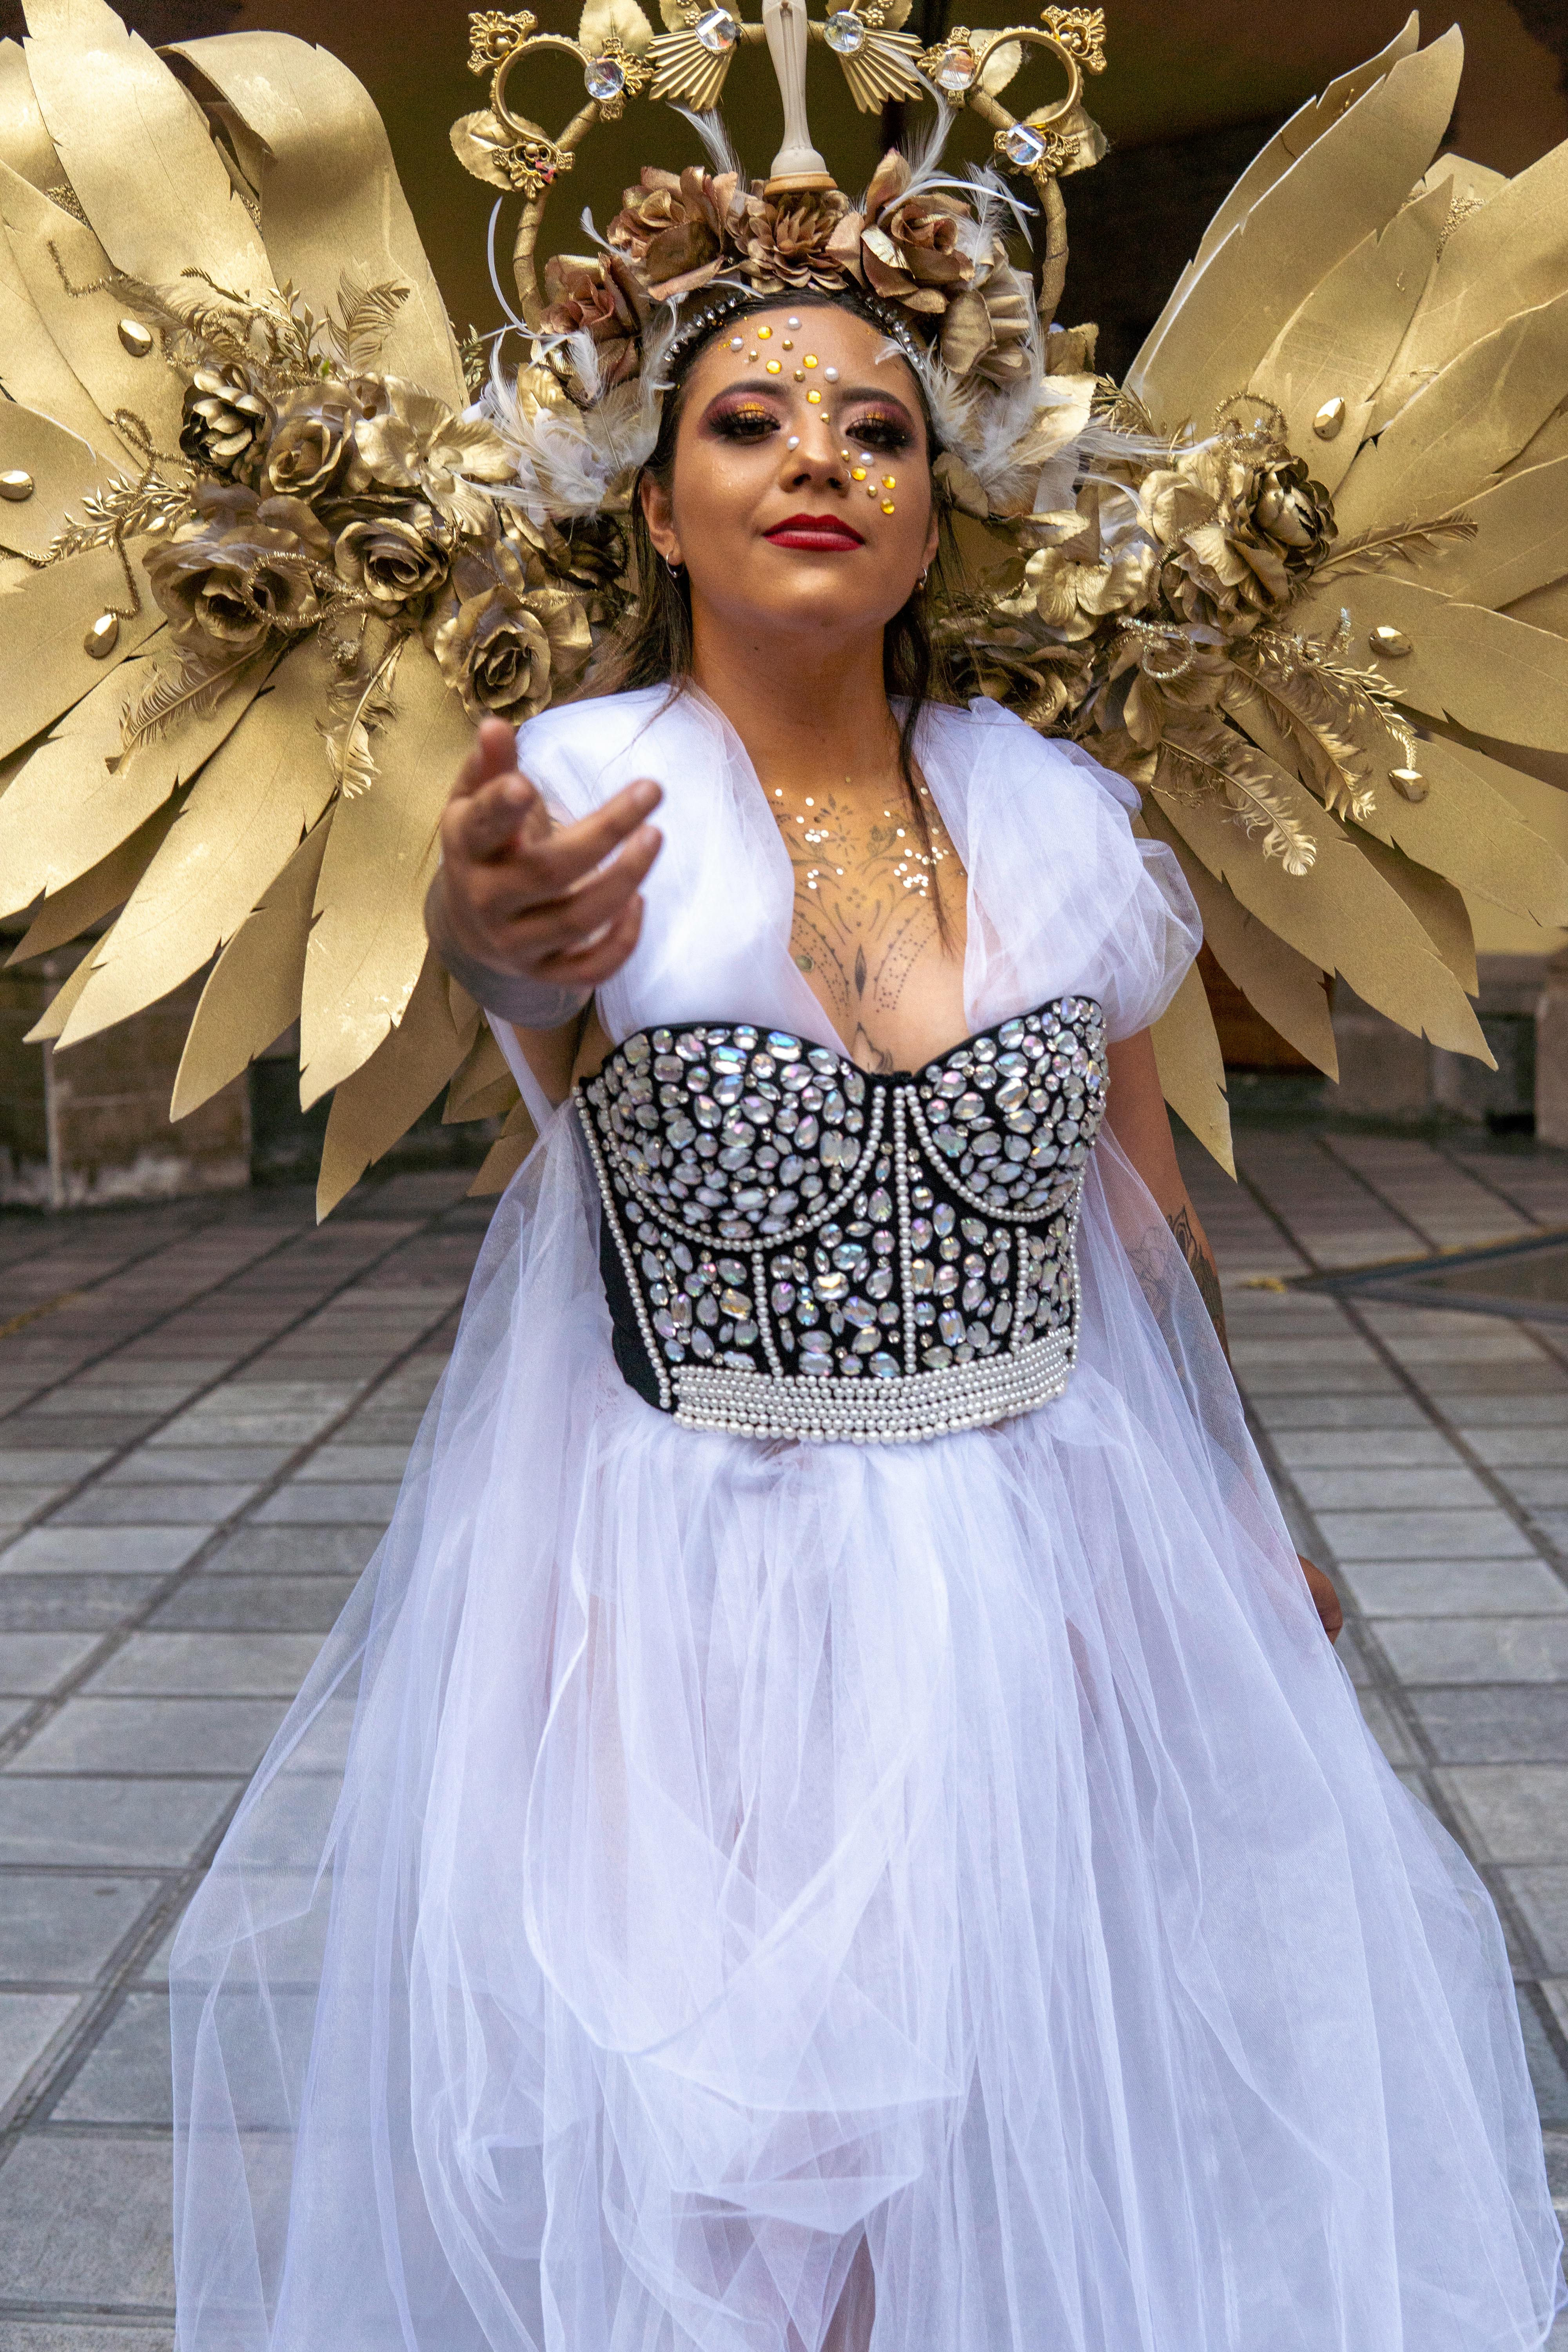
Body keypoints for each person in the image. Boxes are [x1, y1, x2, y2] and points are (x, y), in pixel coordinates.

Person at [171, 285, 1562, 2350]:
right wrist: (485, 919)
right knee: (749, 2183)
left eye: (878, 433)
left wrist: (1243, 1522)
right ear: (656, 508)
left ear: (932, 527)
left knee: (1029, 2135)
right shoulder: (572, 804)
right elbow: (524, 968)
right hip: (692, 1578)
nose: (819, 455)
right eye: (749, 419)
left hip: (1045, 1558)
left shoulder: (1061, 822)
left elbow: (1146, 1231)